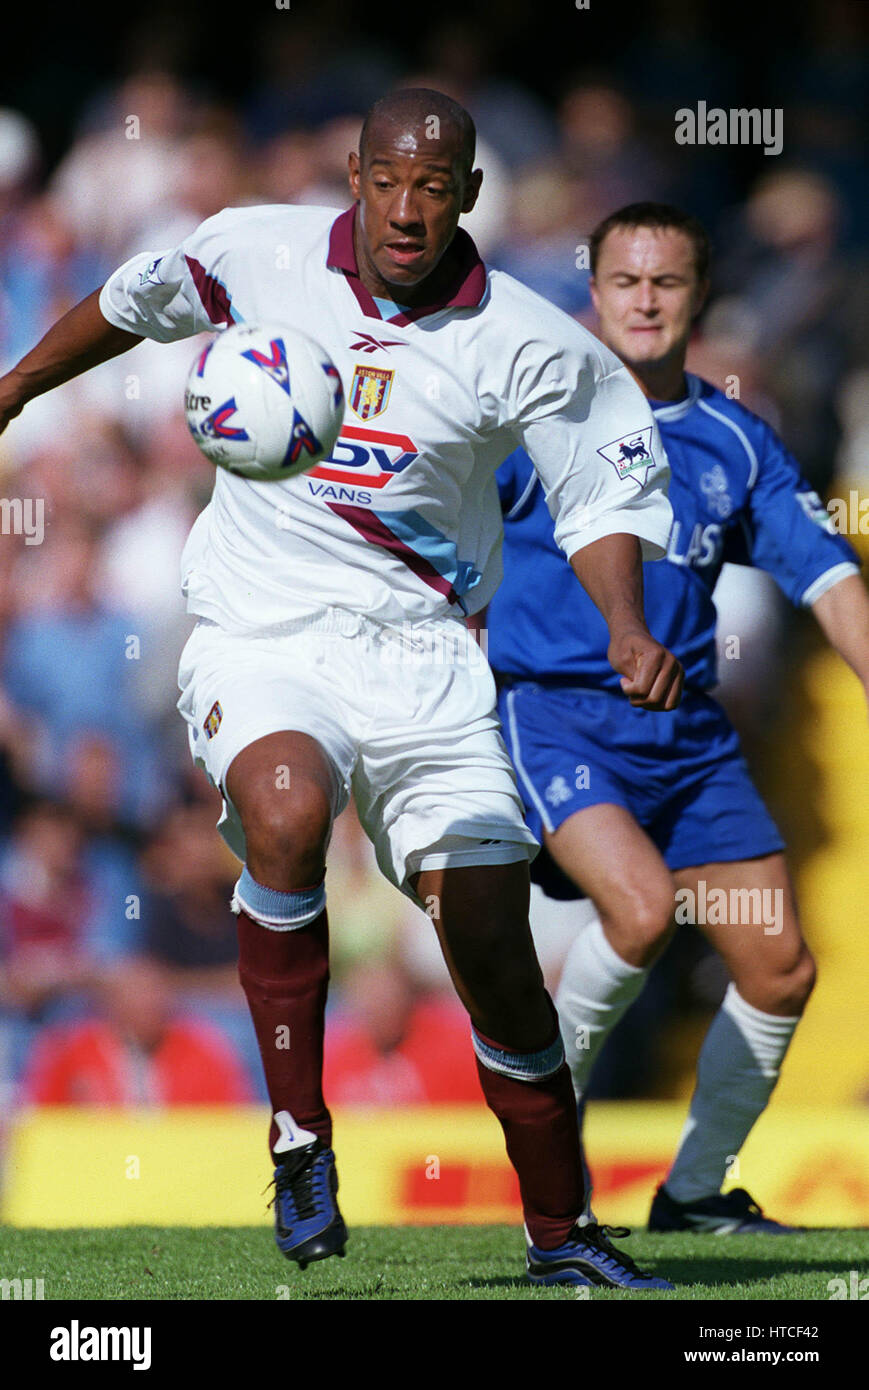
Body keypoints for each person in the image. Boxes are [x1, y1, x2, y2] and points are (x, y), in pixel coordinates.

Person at [0, 92, 683, 1289]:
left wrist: (624, 625)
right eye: (387, 180)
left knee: (486, 937)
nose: (407, 208)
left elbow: (601, 495)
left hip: (423, 653)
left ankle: (561, 1233)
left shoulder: (527, 340)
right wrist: (12, 390)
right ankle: (300, 1135)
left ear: (470, 194)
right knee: (284, 811)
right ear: (355, 175)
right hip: (261, 627)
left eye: (434, 186)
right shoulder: (254, 248)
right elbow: (128, 303)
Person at [488, 201, 869, 1234]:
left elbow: (826, 572)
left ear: (697, 297)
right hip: (557, 719)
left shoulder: (734, 443)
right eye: (625, 281)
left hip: (688, 741)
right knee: (642, 911)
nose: (644, 300)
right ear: (592, 294)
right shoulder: (531, 424)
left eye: (666, 282)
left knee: (779, 964)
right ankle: (543, 1154)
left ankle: (692, 1193)